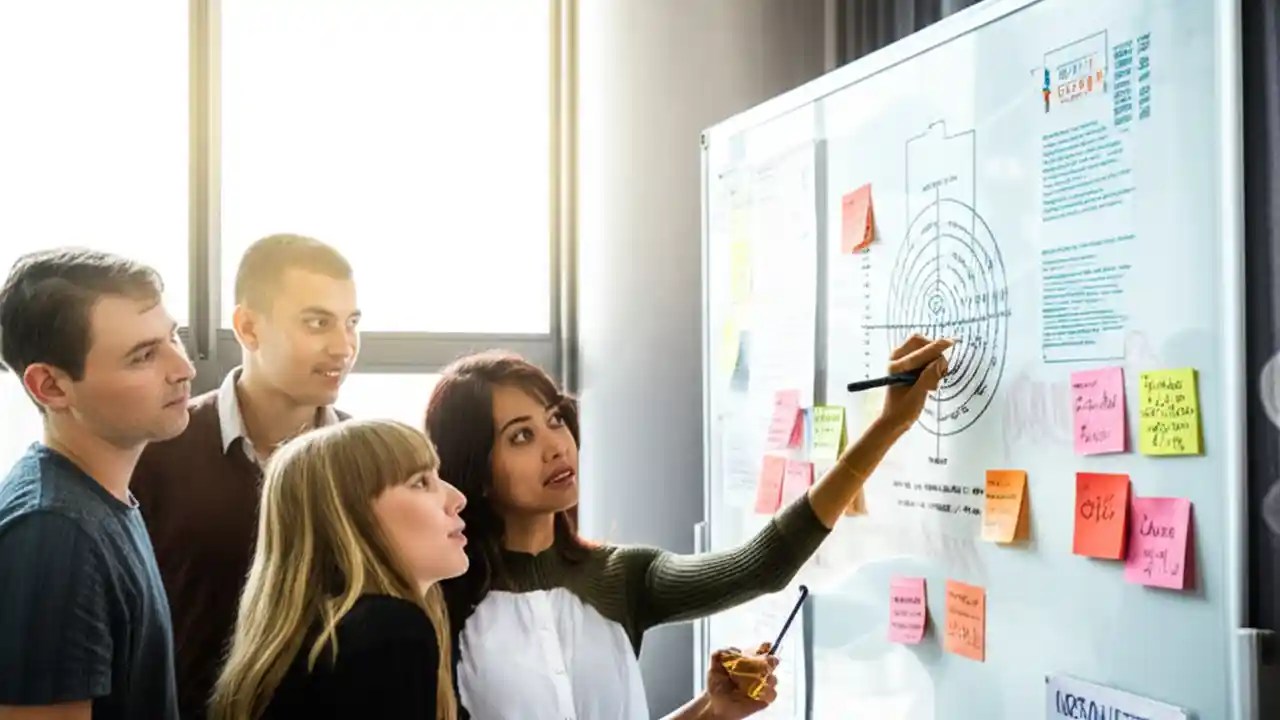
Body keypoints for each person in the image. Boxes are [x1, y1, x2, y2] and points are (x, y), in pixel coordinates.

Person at [425, 334, 951, 718]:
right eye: (521, 437)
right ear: (476, 468)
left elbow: (763, 566)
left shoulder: (620, 576)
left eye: (556, 419)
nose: (557, 445)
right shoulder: (437, 602)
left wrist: (889, 425)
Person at [209, 419, 781, 720]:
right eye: (421, 482)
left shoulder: (328, 635)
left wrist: (711, 711)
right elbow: (763, 566)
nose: (455, 498)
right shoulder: (385, 635)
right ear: (351, 518)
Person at [132, 234, 360, 718]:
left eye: (352, 323)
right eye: (318, 322)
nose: (343, 346)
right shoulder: (155, 453)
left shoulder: (368, 464)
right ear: (248, 328)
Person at [0, 249, 195, 719]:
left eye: (174, 338)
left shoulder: (97, 500)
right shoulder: (55, 534)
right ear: (50, 386)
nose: (183, 369)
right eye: (144, 355)